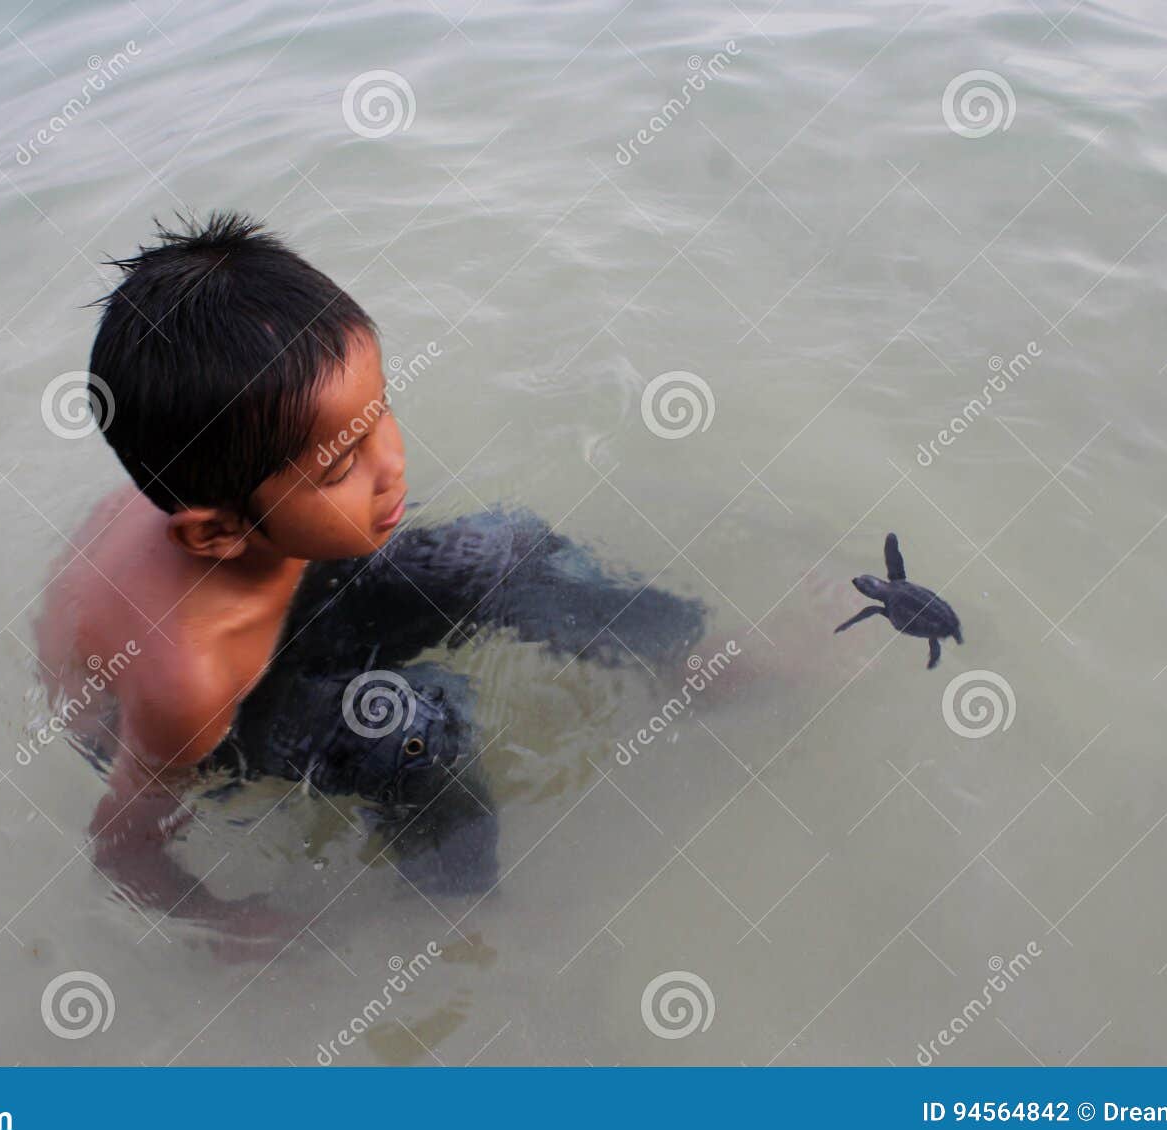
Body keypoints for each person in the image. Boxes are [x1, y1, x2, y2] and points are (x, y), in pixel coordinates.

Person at [34, 212, 705, 945]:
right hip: (164, 711)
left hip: (268, 574)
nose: (392, 466)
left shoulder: (231, 457)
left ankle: (686, 661)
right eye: (341, 465)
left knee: (504, 548)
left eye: (378, 411)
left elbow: (316, 493)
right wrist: (223, 927)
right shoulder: (185, 679)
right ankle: (457, 917)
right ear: (216, 530)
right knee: (410, 729)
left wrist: (335, 485)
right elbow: (123, 844)